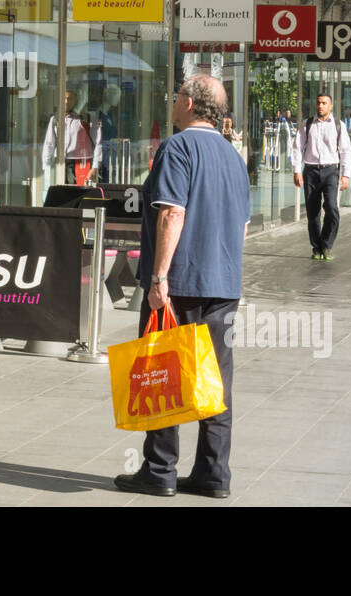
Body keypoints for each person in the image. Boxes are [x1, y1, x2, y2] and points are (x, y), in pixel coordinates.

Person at [114, 74, 249, 499]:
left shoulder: (177, 147)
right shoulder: (232, 155)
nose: (172, 102)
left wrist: (158, 277)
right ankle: (213, 473)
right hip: (223, 282)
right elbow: (241, 226)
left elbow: (172, 213)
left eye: (177, 96)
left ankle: (159, 470)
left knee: (163, 373)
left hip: (182, 281)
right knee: (216, 381)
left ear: (189, 103)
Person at [290, 93, 351, 261]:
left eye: (324, 103)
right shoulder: (308, 124)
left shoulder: (338, 126)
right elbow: (297, 148)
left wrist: (346, 175)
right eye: (318, 103)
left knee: (332, 209)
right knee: (313, 214)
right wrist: (297, 170)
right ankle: (317, 248)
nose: (320, 106)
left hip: (331, 171)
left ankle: (327, 244)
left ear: (330, 106)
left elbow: (346, 151)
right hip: (310, 171)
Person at [42, 89, 101, 185]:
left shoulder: (86, 118)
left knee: (80, 194)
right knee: (61, 193)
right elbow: (49, 144)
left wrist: (95, 167)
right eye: (64, 98)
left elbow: (98, 143)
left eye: (70, 99)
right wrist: (46, 166)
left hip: (81, 162)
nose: (66, 101)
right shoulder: (55, 119)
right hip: (60, 162)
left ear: (76, 101)